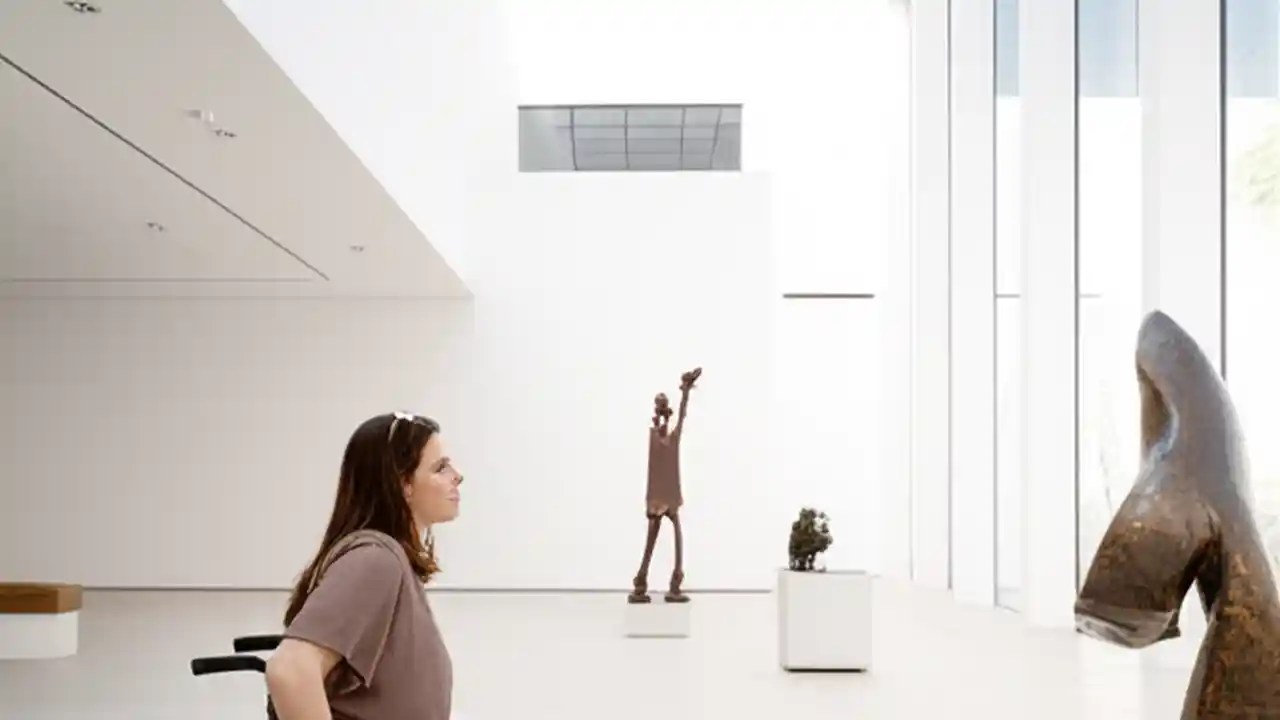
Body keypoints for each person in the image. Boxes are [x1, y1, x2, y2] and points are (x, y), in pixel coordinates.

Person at [265, 411, 464, 720]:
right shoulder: (376, 559)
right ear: (403, 484)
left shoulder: (389, 560)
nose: (457, 475)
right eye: (440, 468)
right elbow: (290, 670)